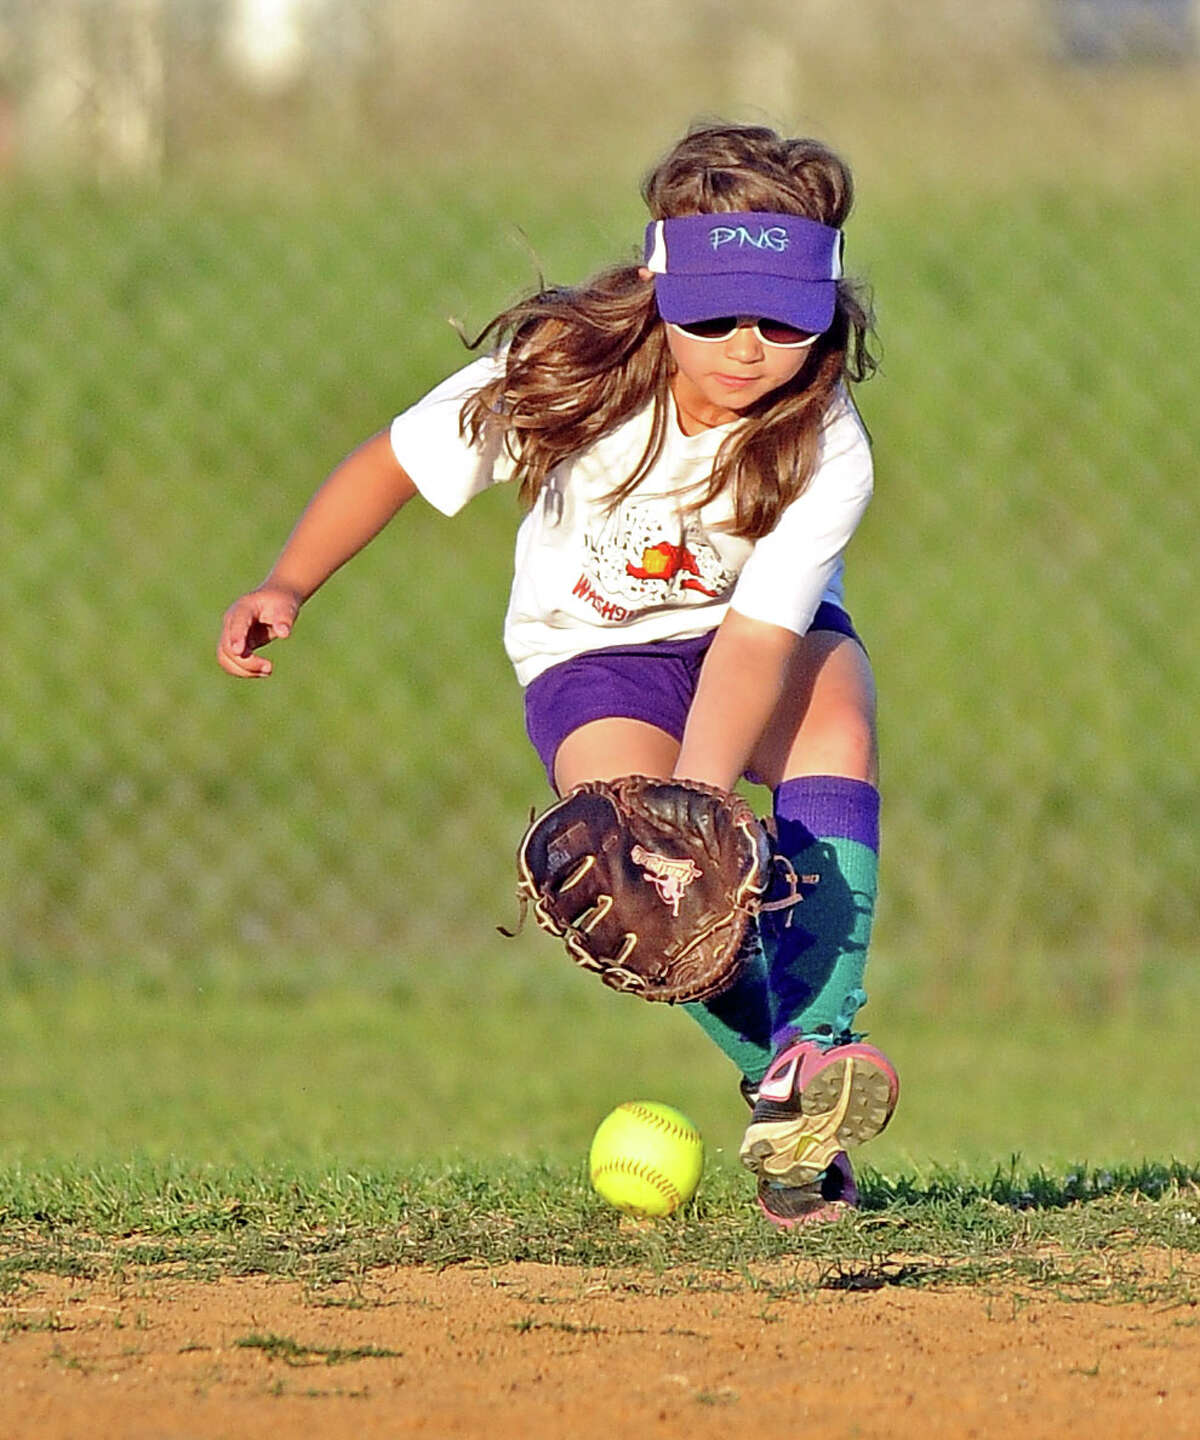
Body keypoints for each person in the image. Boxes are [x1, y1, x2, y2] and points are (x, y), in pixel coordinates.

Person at [217, 121, 899, 1228]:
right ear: (656, 284)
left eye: (781, 319)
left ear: (822, 311)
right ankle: (786, 1085)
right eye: (714, 311)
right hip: (593, 658)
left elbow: (758, 642)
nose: (745, 344)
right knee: (642, 874)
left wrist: (712, 797)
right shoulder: (569, 365)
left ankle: (809, 1058)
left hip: (751, 639)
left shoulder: (825, 438)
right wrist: (288, 581)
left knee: (835, 710)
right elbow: (396, 460)